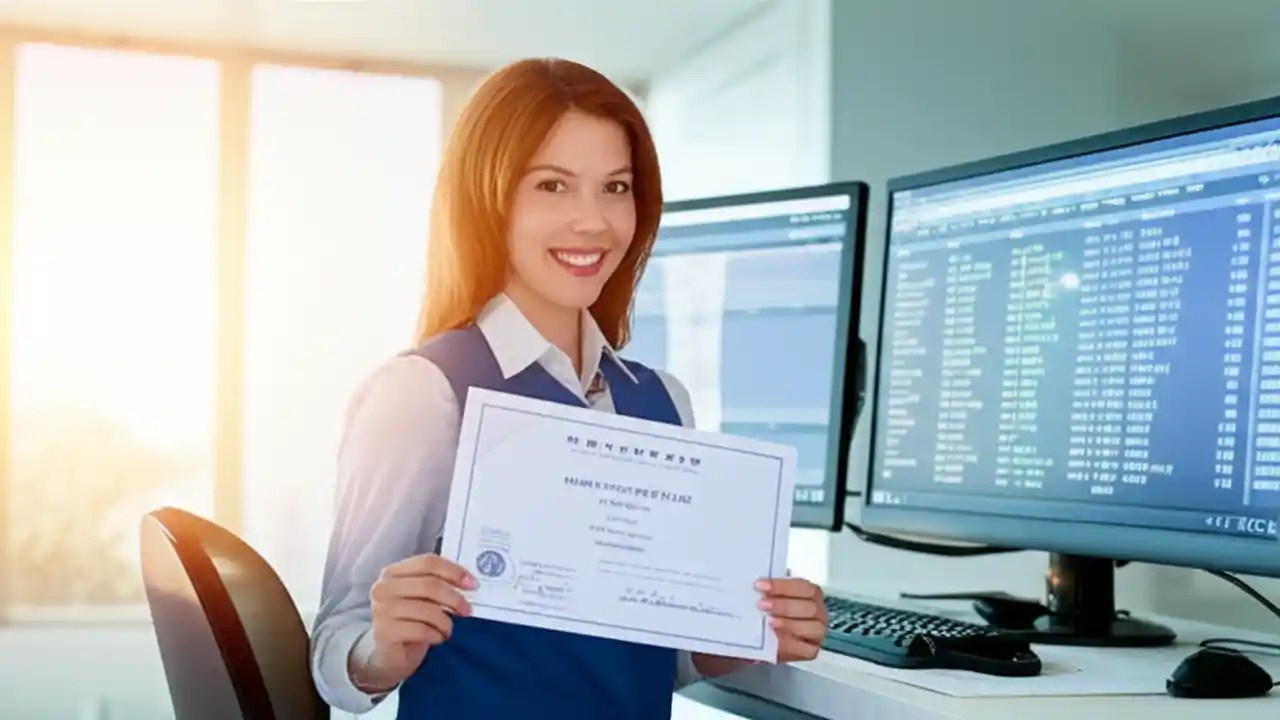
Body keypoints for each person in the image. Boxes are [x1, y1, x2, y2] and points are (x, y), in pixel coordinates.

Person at [310, 57, 829, 718]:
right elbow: (334, 655)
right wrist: (384, 648)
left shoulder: (664, 401)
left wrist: (750, 635)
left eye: (615, 188)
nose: (594, 222)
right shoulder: (421, 393)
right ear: (489, 198)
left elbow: (645, 655)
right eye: (553, 186)